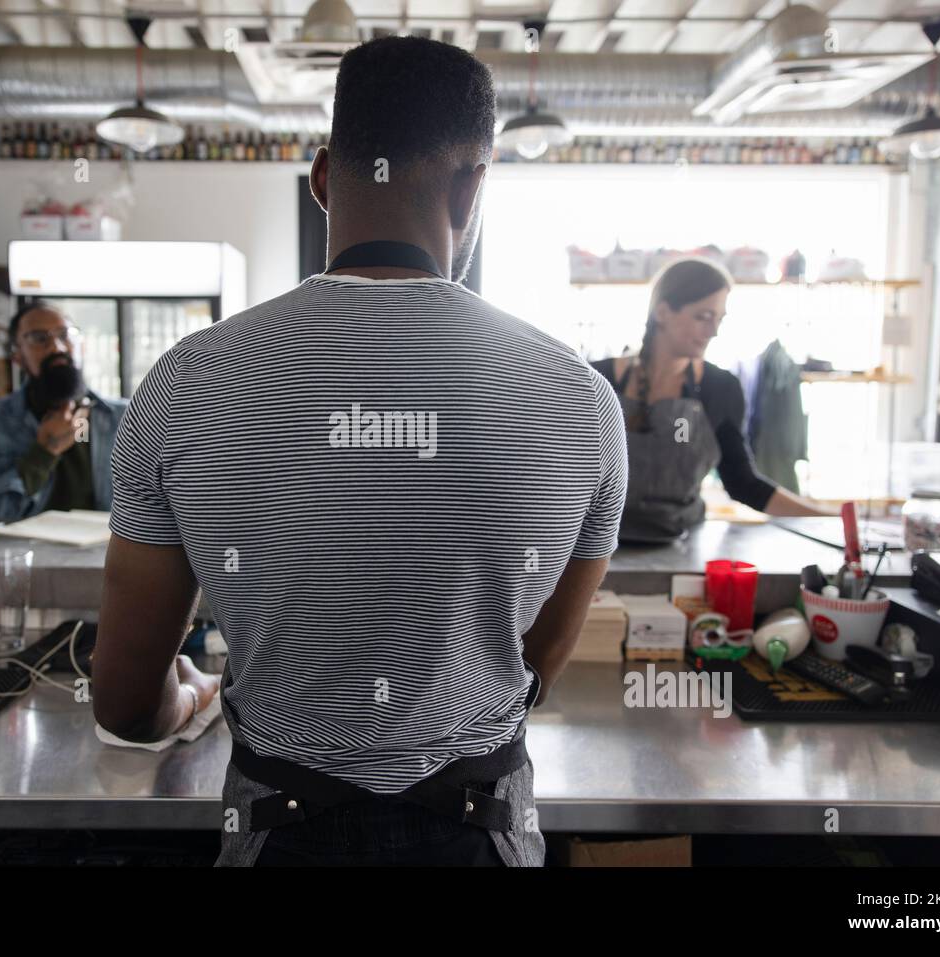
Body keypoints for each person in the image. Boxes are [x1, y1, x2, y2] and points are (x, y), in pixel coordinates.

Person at [93, 36, 628, 867]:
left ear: (321, 178)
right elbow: (532, 673)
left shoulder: (184, 383)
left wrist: (188, 695)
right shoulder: (581, 400)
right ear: (472, 183)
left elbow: (125, 702)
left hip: (279, 836)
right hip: (479, 836)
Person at [590, 258, 833, 543]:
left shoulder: (721, 388)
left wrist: (827, 519)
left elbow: (743, 484)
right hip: (595, 549)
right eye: (703, 316)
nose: (713, 331)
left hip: (682, 548)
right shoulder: (596, 380)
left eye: (719, 319)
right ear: (663, 312)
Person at [0, 302, 127, 519]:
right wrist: (43, 454)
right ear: (18, 356)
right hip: (24, 552)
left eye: (65, 335)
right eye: (39, 338)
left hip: (108, 551)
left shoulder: (126, 418)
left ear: (82, 346)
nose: (57, 347)